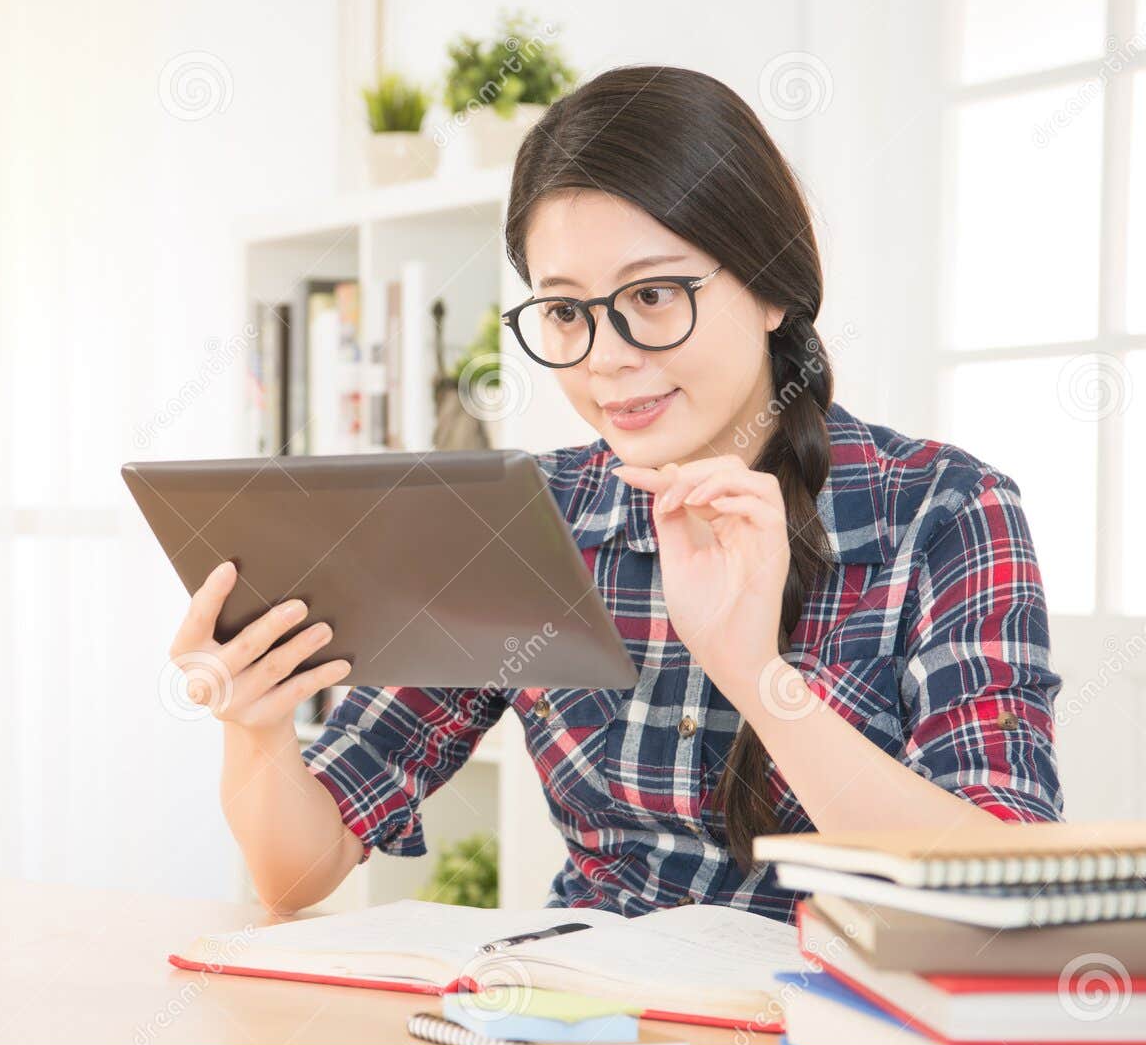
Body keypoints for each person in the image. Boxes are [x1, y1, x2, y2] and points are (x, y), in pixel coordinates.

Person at [167, 65, 1064, 921]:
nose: (606, 358)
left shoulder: (945, 511)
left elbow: (1001, 896)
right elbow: (297, 874)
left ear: (772, 288)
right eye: (565, 311)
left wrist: (758, 677)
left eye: (654, 295)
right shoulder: (526, 520)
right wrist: (256, 730)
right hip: (584, 1027)